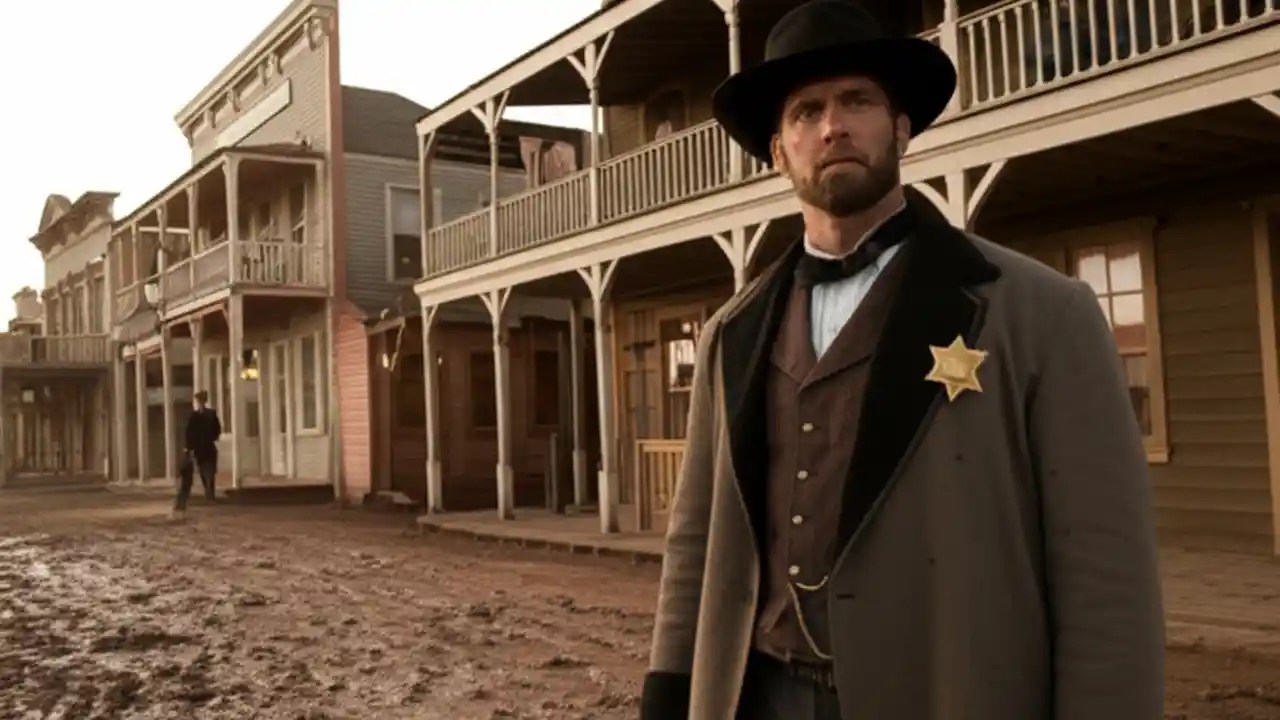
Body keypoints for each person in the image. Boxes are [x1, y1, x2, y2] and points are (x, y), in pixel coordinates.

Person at [639, 2, 1165, 718]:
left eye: (858, 100)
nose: (833, 126)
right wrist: (669, 695)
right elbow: (695, 544)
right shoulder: (731, 333)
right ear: (778, 150)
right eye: (806, 111)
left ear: (902, 127)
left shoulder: (1042, 314)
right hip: (757, 695)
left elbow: (1107, 578)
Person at [173, 390, 222, 520]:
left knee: (209, 470)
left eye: (201, 400)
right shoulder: (193, 416)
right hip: (199, 448)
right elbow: (189, 432)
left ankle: (210, 492)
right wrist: (189, 447)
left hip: (208, 446)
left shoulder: (211, 414)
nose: (200, 402)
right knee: (203, 470)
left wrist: (212, 437)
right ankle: (208, 491)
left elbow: (217, 429)